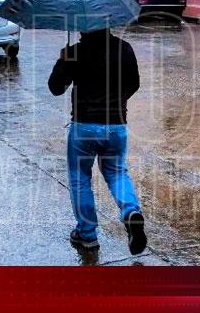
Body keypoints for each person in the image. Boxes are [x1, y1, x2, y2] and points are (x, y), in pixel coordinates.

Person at [48, 28, 147, 254]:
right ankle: (131, 212)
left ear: (83, 27)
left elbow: (56, 88)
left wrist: (63, 60)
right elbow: (134, 84)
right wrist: (115, 103)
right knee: (117, 173)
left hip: (84, 127)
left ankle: (87, 234)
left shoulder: (75, 52)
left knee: (80, 178)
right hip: (117, 125)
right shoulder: (125, 48)